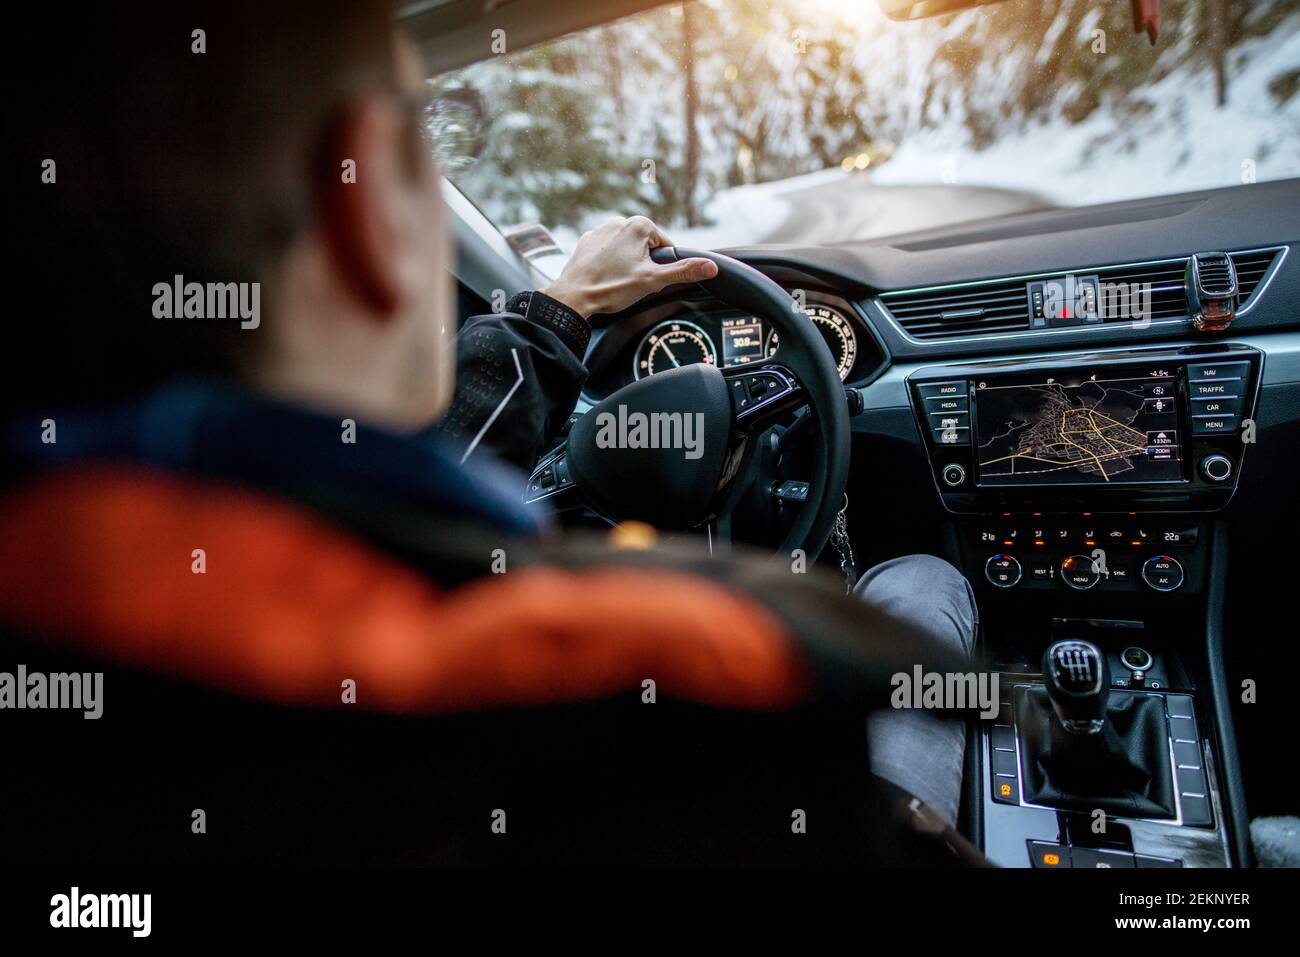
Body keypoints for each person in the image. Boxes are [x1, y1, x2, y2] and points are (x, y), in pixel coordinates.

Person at [2, 0, 977, 862]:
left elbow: (423, 474)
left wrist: (555, 315)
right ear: (371, 194)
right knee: (923, 587)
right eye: (431, 131)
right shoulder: (720, 728)